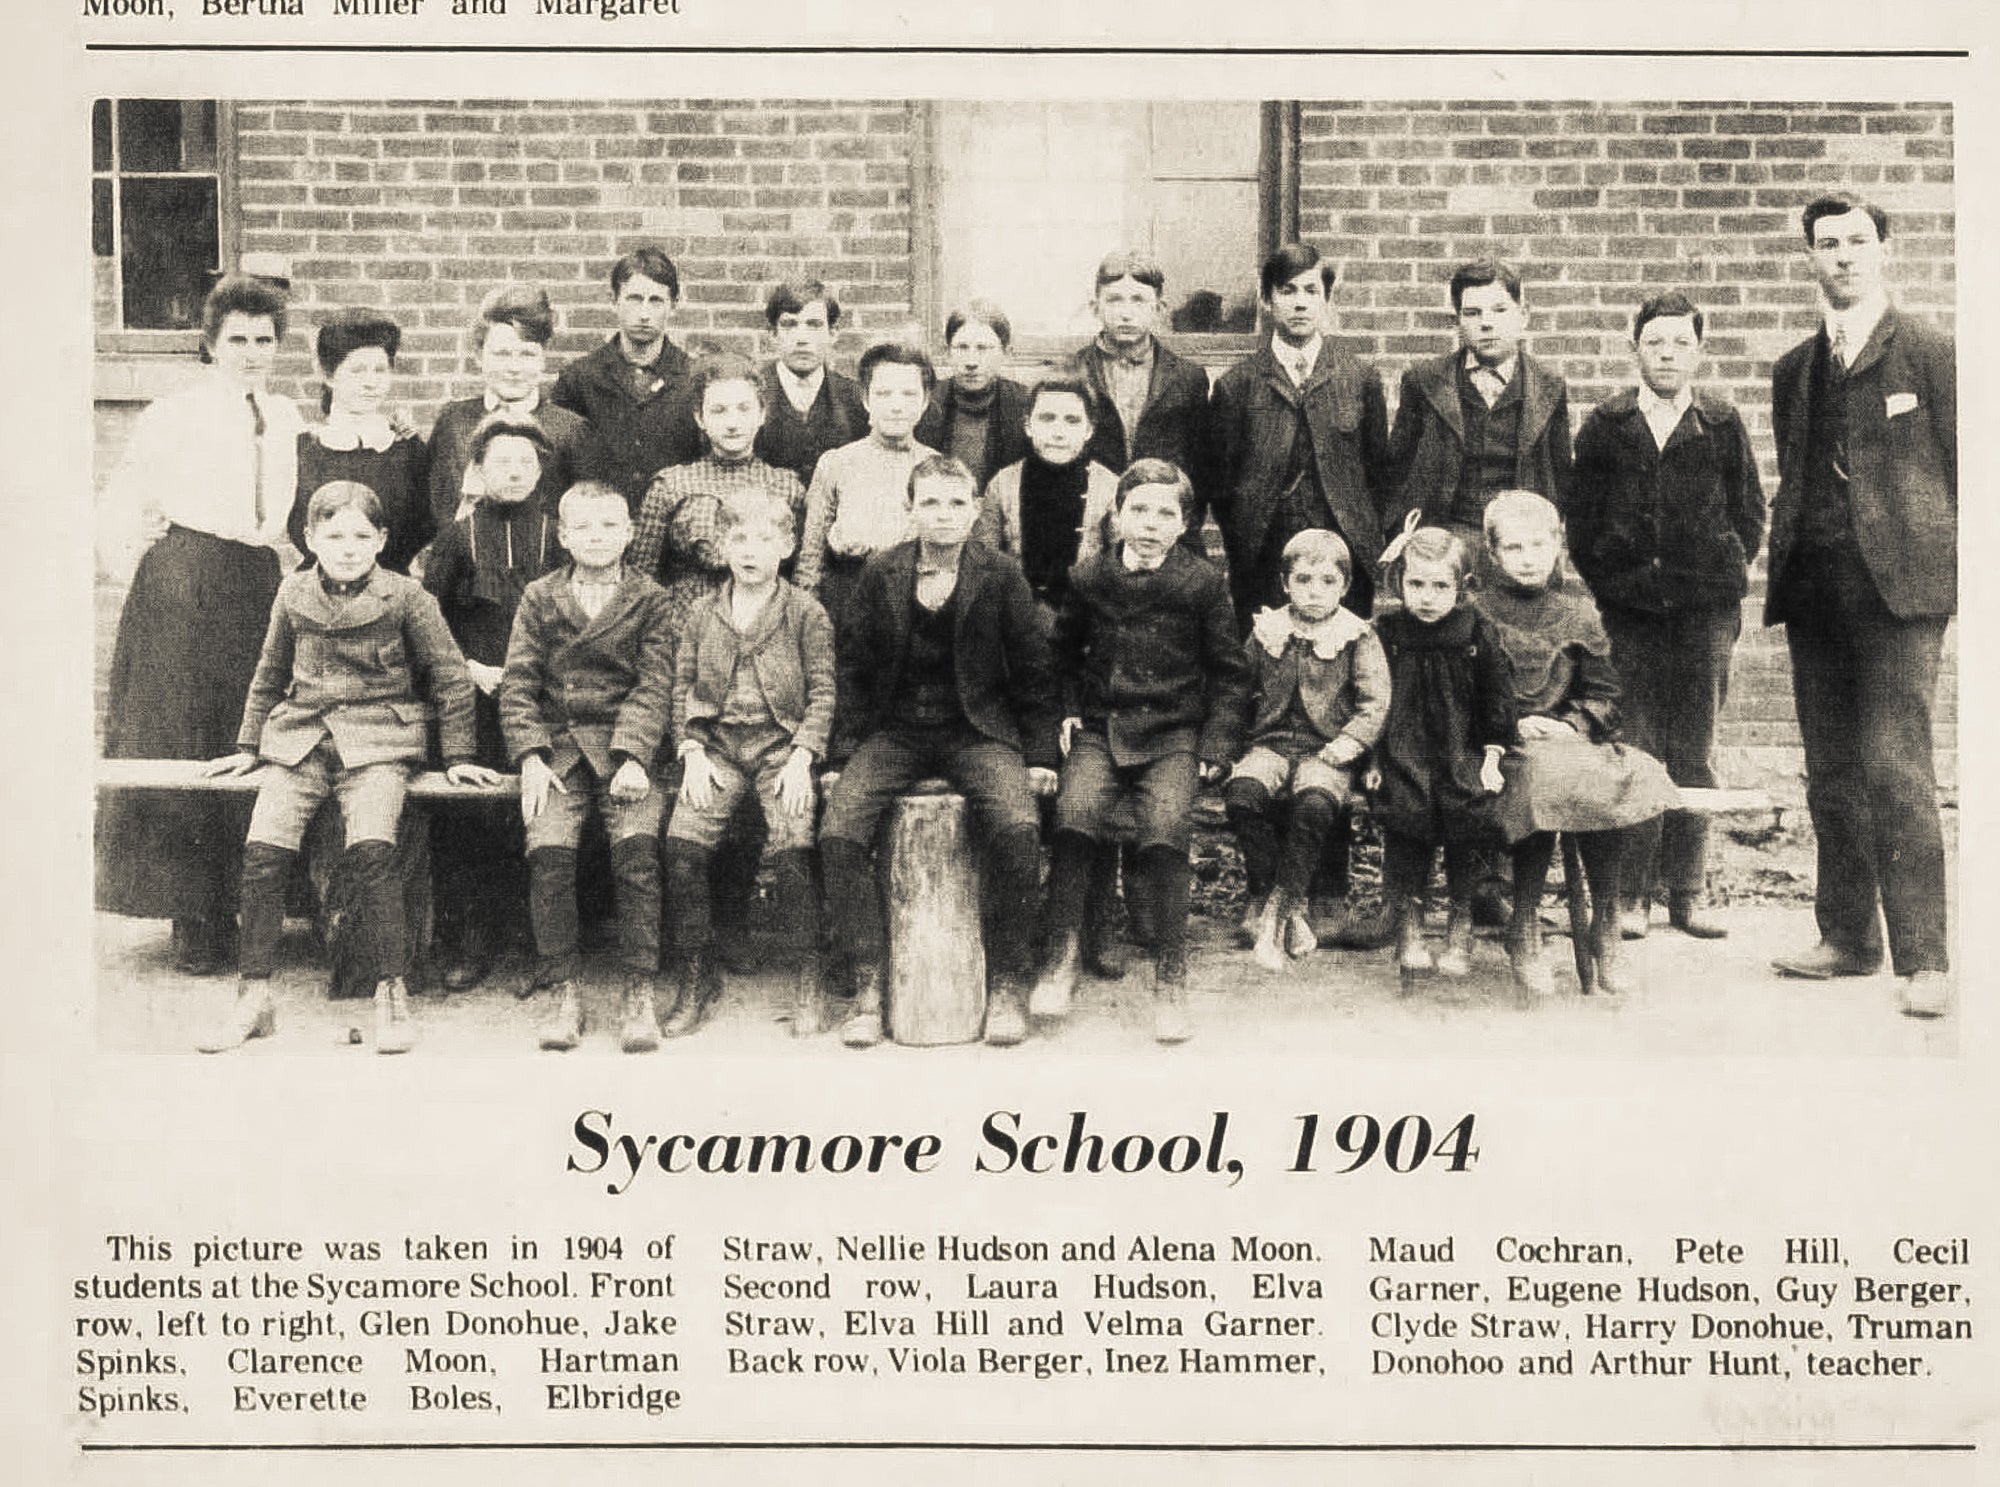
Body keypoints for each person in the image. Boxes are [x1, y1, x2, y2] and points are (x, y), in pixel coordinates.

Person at [199, 482, 497, 1053]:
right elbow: (268, 673)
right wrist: (246, 746)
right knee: (264, 852)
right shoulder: (291, 593)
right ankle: (253, 996)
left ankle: (392, 994)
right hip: (301, 739)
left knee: (372, 851)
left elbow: (451, 678)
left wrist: (457, 757)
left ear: (382, 539)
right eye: (333, 536)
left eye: (362, 536)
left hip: (380, 742)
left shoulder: (408, 597)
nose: (348, 547)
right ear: (309, 538)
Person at [1763, 194, 1956, 1017]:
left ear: (1884, 251)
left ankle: (1926, 959)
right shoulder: (1794, 369)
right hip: (1816, 588)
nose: (1842, 256)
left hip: (1901, 594)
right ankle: (1847, 935)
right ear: (1809, 257)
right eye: (1827, 244)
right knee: (1832, 769)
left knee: (1897, 765)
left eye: (1857, 242)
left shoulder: (1932, 353)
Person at [97, 272, 307, 976]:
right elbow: (126, 497)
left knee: (247, 731)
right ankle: (195, 912)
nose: (251, 352)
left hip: (254, 582)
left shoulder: (286, 417)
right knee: (185, 730)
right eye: (238, 339)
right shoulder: (174, 413)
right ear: (211, 345)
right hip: (183, 583)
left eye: (264, 340)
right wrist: (148, 564)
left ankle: (250, 903)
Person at [818, 456, 1059, 1050]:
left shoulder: (1000, 574)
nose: (944, 515)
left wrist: (1039, 755)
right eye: (930, 503)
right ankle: (869, 985)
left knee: (1018, 828)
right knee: (839, 833)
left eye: (956, 503)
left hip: (976, 731)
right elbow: (853, 670)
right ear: (910, 510)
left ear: (976, 509)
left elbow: (1034, 673)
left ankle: (1007, 979)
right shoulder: (881, 573)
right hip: (895, 730)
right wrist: (839, 757)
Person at [1569, 290, 1764, 942]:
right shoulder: (1607, 425)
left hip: (1705, 615)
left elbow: (1749, 516)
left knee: (1695, 751)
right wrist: (1616, 586)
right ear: (1636, 349)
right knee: (1639, 749)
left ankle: (1687, 891)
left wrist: (1715, 577)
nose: (1669, 353)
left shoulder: (1721, 421)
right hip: (1631, 617)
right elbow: (1582, 524)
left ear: (1699, 350)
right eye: (1656, 342)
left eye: (1682, 342)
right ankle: (1632, 896)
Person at [1034, 460, 1249, 1044]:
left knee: (1165, 827)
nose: (1151, 525)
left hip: (1173, 734)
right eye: (1140, 510)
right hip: (1102, 730)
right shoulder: (1089, 578)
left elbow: (1230, 675)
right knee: (1074, 816)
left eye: (1165, 514)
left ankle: (1171, 977)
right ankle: (1061, 956)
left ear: (1183, 526)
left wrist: (1217, 745)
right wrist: (1069, 707)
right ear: (1117, 514)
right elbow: (1060, 657)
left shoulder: (1201, 585)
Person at [1476, 493, 1677, 999]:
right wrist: (1509, 726)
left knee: (1620, 777)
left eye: (1538, 545)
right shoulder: (1476, 612)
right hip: (1504, 747)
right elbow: (1463, 692)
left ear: (1557, 546)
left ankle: (1606, 925)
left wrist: (1570, 724)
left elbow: (1606, 694)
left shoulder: (1579, 613)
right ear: (1493, 553)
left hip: (1569, 738)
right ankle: (1524, 925)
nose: (1527, 558)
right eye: (1514, 547)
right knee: (1545, 780)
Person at [498, 482, 676, 1054]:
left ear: (628, 533)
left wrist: (633, 756)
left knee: (637, 850)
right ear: (564, 536)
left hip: (627, 745)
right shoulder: (540, 596)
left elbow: (656, 685)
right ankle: (564, 989)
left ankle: (639, 989)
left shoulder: (651, 598)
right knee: (548, 852)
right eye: (584, 528)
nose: (597, 538)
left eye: (609, 526)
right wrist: (528, 755)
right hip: (558, 747)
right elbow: (519, 683)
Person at [662, 491, 837, 1038]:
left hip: (780, 748)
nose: (751, 551)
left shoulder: (805, 611)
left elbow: (824, 691)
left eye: (765, 539)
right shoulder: (701, 610)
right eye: (739, 539)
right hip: (716, 747)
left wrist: (804, 754)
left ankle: (810, 974)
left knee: (793, 847)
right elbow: (682, 685)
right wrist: (689, 748)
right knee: (682, 845)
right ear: (721, 547)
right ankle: (697, 973)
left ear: (787, 545)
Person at [419, 411, 565, 991]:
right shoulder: (456, 536)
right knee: (468, 822)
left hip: (539, 696)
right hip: (472, 693)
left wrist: (530, 673)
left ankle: (531, 943)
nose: (514, 471)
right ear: (477, 469)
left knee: (528, 819)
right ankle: (472, 940)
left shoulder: (559, 532)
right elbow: (427, 618)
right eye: (501, 461)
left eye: (525, 462)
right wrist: (468, 667)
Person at [1224, 529, 1390, 973]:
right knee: (1242, 796)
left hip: (1327, 748)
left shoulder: (1356, 636)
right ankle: (1281, 900)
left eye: (1326, 582)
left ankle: (1275, 911)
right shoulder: (1267, 631)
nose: (1314, 592)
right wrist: (1226, 748)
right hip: (1271, 744)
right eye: (1303, 580)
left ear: (1345, 586)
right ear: (1285, 584)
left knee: (1315, 805)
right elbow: (1237, 692)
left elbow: (1375, 702)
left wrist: (1350, 744)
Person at [1210, 242, 1391, 624]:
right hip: (1265, 553)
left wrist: (1361, 535)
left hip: (1344, 548)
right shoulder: (1237, 385)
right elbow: (1222, 485)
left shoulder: (1359, 379)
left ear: (1326, 300)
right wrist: (1247, 538)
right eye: (1287, 291)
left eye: (1311, 291)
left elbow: (1379, 474)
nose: (1300, 303)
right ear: (1266, 300)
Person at [1368, 525, 1515, 990]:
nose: (1427, 597)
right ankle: (1409, 922)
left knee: (1465, 809)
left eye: (1440, 586)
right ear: (1399, 585)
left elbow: (1497, 699)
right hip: (1403, 747)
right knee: (1407, 812)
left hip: (1461, 747)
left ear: (1462, 587)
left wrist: (1491, 757)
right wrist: (1371, 760)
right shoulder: (1387, 633)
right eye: (1416, 584)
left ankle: (1460, 920)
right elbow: (1369, 697)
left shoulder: (1476, 631)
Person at [1386, 259, 1571, 548]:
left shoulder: (1549, 386)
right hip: (1444, 540)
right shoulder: (1424, 381)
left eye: (1499, 310)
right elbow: (1397, 471)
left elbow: (1559, 479)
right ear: (1458, 320)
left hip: (1518, 543)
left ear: (1523, 315)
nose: (1486, 323)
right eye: (1472, 313)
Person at [629, 351, 808, 642]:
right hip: (685, 634)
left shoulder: (787, 488)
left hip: (764, 634)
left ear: (762, 414)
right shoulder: (672, 485)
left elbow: (800, 577)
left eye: (743, 409)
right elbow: (641, 580)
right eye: (719, 410)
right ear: (700, 417)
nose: (732, 422)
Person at [1072, 250, 1216, 544]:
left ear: (1159, 308)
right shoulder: (1073, 373)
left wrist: (1182, 525)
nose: (1126, 312)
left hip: (1161, 527)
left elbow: (1202, 467)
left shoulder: (1187, 378)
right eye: (1114, 300)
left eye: (1138, 300)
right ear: (1095, 306)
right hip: (1091, 527)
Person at [793, 340, 940, 624]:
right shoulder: (837, 463)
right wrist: (808, 619)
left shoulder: (934, 467)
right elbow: (811, 557)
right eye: (884, 393)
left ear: (924, 402)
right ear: (866, 400)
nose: (897, 406)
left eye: (909, 394)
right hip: (847, 606)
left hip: (913, 610)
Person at [551, 246, 704, 510]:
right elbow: (558, 468)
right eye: (634, 299)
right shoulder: (579, 379)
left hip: (671, 533)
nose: (644, 314)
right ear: (614, 300)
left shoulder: (694, 378)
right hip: (597, 532)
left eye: (656, 300)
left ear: (674, 305)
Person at [427, 285, 588, 526]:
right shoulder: (454, 420)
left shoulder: (571, 430)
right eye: (502, 354)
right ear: (479, 356)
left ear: (543, 357)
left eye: (526, 355)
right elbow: (435, 508)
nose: (514, 368)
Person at [292, 307, 434, 577]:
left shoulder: (409, 450)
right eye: (357, 370)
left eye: (380, 370)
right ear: (329, 375)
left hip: (393, 590)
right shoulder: (304, 451)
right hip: (317, 589)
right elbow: (297, 526)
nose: (371, 383)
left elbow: (425, 525)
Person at [973, 370, 1119, 614]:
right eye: (1047, 418)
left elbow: (1121, 564)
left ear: (1089, 430)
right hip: (1017, 615)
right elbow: (983, 561)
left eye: (1072, 420)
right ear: (1029, 426)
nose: (1058, 432)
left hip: (1086, 617)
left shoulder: (1109, 486)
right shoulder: (1003, 483)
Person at [754, 277, 869, 487]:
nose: (802, 338)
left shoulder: (856, 398)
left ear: (833, 334)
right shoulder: (752, 394)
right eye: (790, 325)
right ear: (772, 334)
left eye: (814, 325)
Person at [913, 300, 1033, 493]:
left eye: (983, 348)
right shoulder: (926, 403)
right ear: (947, 352)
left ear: (1006, 353)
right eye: (962, 347)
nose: (971, 361)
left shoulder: (1025, 405)